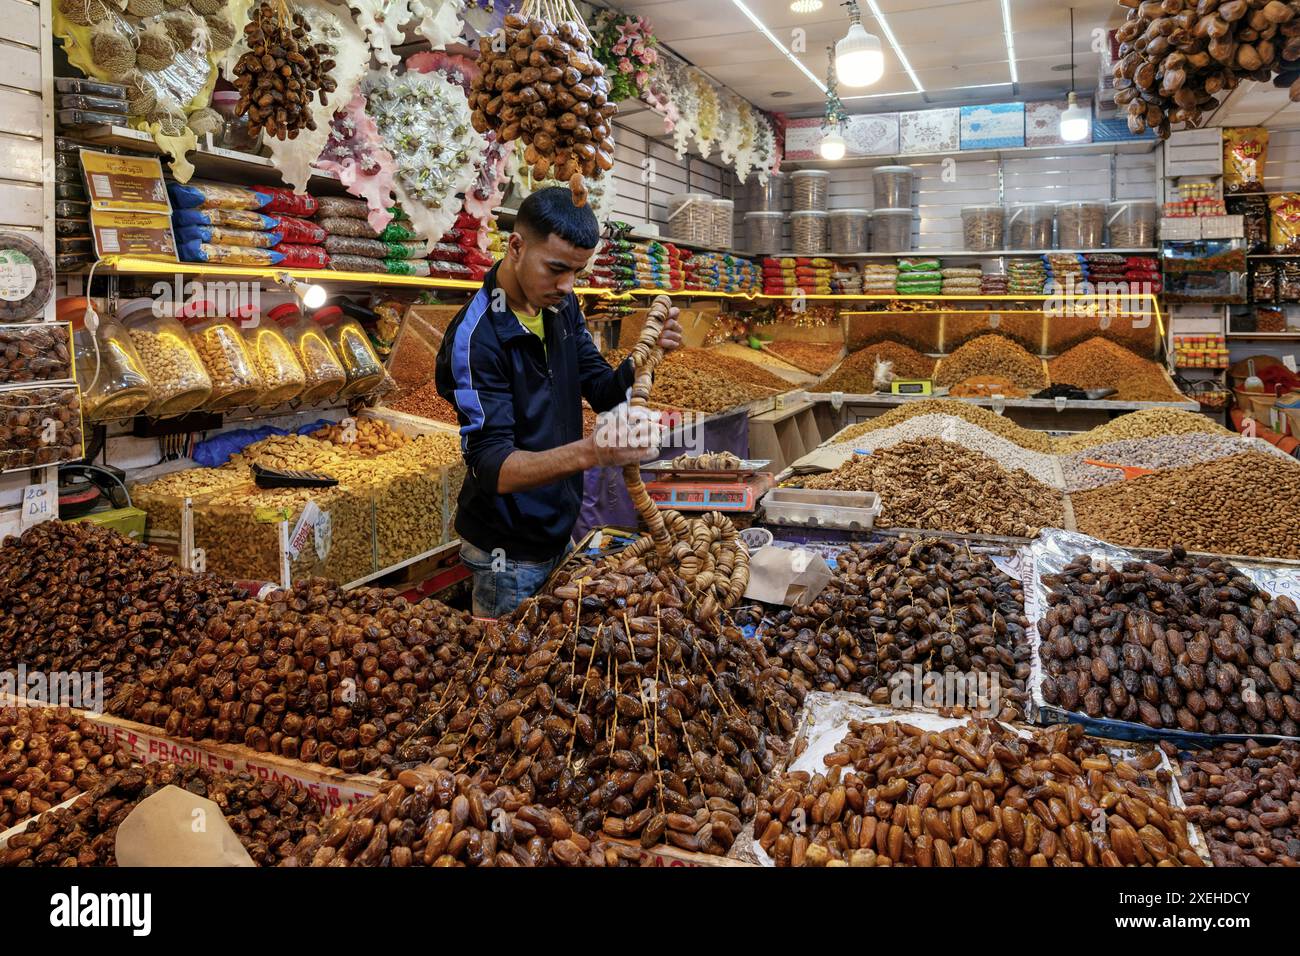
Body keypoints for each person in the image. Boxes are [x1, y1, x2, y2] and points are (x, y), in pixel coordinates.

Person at [435, 186, 683, 618]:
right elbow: (493, 467)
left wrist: (647, 356)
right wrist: (594, 451)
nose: (567, 285)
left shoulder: (560, 308)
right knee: (504, 672)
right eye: (556, 269)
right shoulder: (476, 339)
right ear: (516, 246)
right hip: (507, 555)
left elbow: (604, 392)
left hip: (558, 533)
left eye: (577, 272)